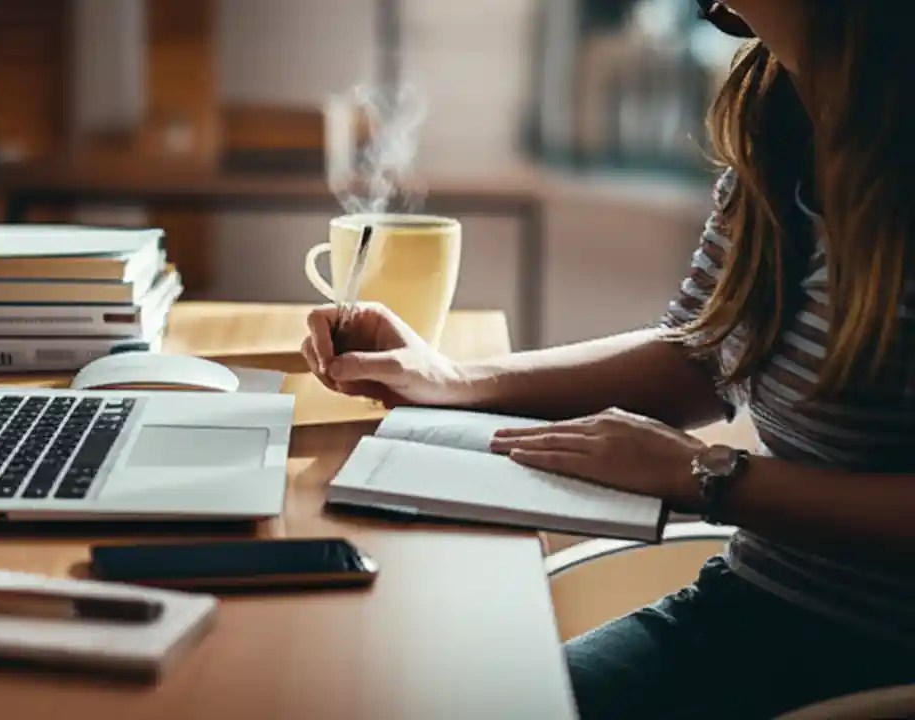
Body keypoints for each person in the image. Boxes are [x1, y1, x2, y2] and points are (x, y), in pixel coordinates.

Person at [302, 1, 915, 717]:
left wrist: (710, 476)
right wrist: (449, 380)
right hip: (756, 610)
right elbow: (701, 357)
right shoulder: (780, 110)